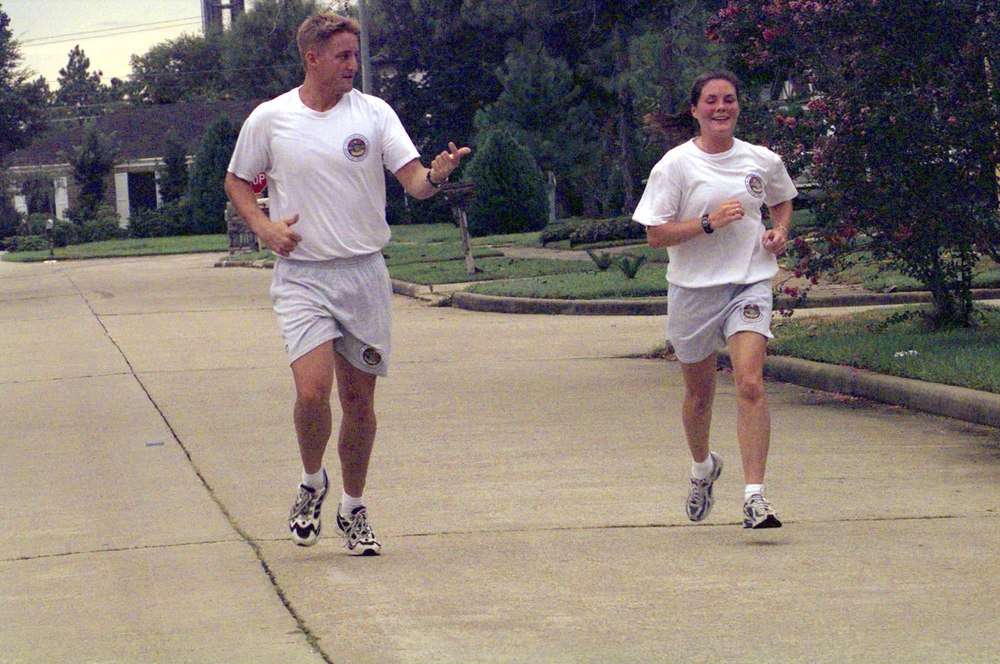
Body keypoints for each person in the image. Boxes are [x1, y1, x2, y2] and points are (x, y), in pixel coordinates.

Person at [225, 12, 470, 555]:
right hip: (303, 277)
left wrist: (435, 175)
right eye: (342, 56)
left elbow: (413, 181)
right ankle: (312, 481)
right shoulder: (271, 118)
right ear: (312, 58)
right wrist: (264, 227)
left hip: (363, 274)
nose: (353, 66)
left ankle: (353, 507)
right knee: (313, 393)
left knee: (359, 404)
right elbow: (237, 180)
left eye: (355, 56)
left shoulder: (374, 113)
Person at [632, 69, 797, 529]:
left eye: (728, 99)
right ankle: (703, 468)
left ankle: (755, 498)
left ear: (738, 106)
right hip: (693, 291)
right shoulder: (675, 166)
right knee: (699, 396)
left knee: (749, 384)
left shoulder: (762, 159)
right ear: (695, 110)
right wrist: (708, 222)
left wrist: (779, 231)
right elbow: (655, 235)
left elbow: (782, 201)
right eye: (711, 101)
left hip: (749, 281)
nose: (720, 108)